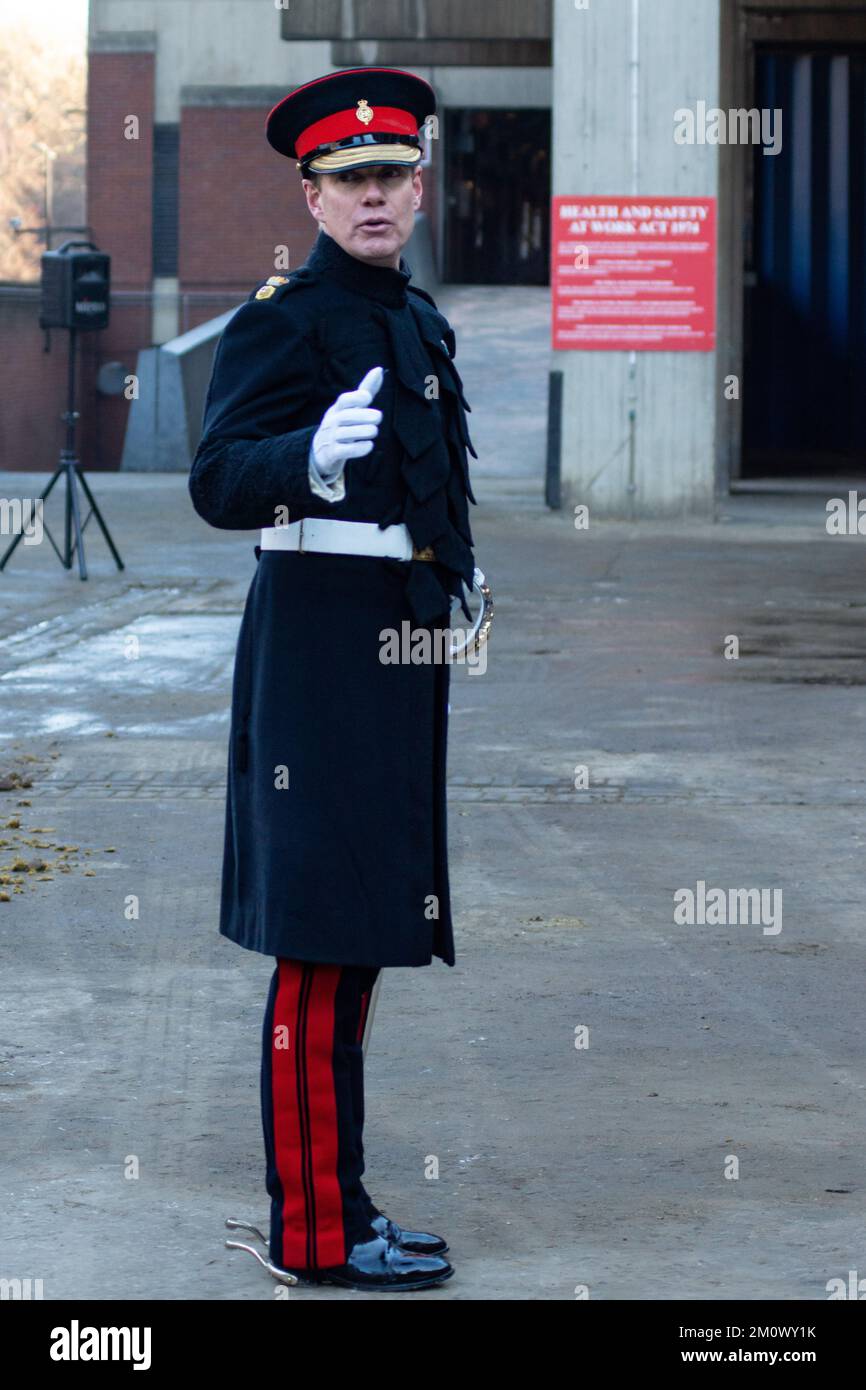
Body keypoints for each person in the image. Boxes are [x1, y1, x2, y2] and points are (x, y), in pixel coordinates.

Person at [188, 66, 479, 1292]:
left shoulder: (416, 322)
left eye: (390, 175)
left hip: (395, 659)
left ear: (417, 189)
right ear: (310, 197)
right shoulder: (284, 320)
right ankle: (311, 1234)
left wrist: (453, 571)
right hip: (314, 660)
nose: (372, 195)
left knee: (358, 936)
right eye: (347, 178)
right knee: (317, 942)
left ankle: (342, 1205)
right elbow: (217, 480)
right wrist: (302, 455)